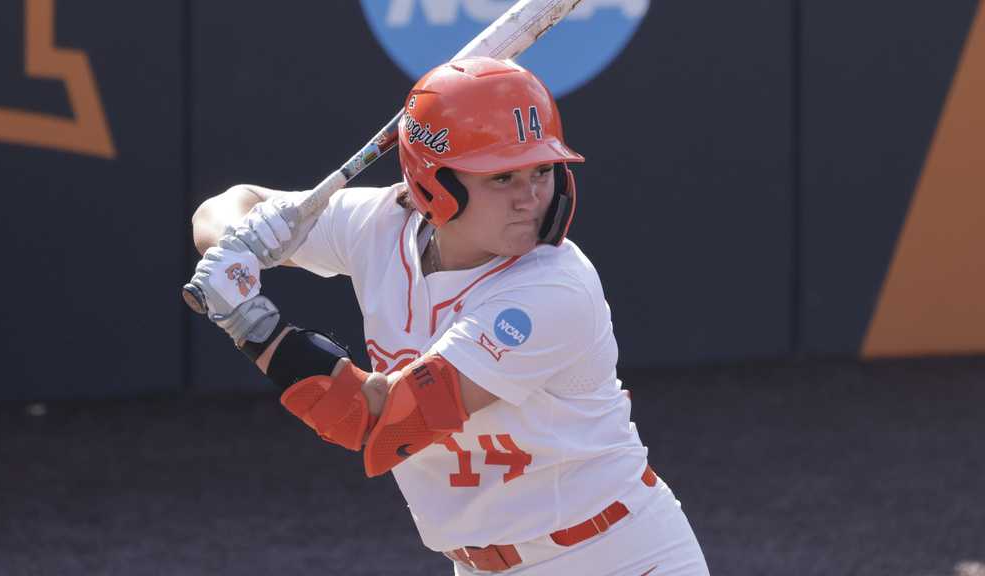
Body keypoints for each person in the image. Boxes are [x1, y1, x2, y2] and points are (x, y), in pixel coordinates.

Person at [188, 57, 710, 576]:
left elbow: (379, 422)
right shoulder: (379, 224)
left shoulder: (553, 288)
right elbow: (224, 205)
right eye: (502, 177)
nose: (530, 197)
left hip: (617, 555)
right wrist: (239, 242)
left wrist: (251, 323)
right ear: (435, 185)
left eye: (543, 170)